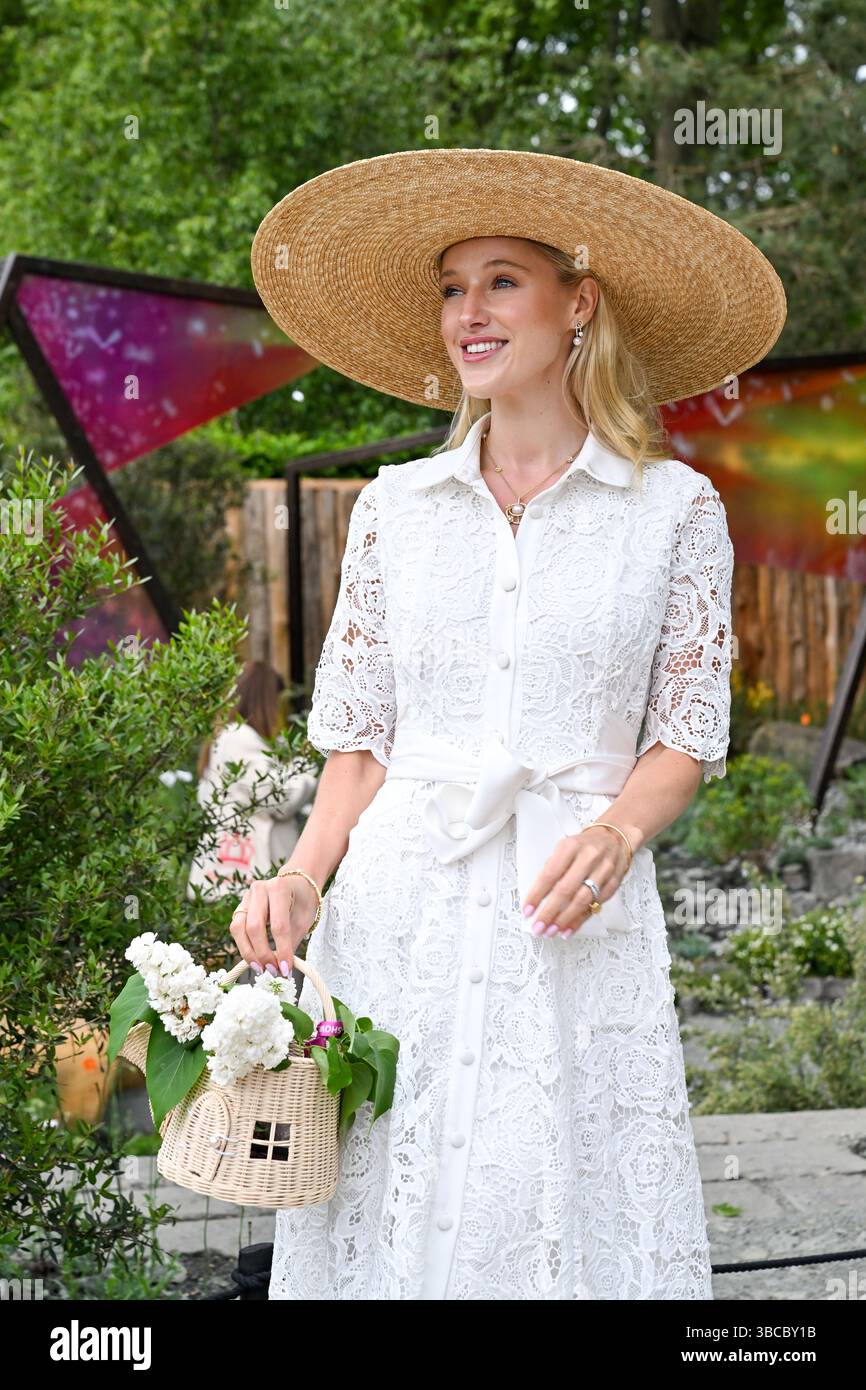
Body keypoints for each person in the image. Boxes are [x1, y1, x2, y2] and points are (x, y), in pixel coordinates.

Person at [243, 149, 787, 1299]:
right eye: (450, 288)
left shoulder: (672, 510)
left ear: (576, 301)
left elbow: (681, 736)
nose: (467, 314)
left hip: (569, 909)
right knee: (392, 1189)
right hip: (400, 910)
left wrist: (618, 833)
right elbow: (363, 742)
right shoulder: (394, 512)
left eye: (500, 281)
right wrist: (299, 877)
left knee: (558, 1201)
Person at [186, 659, 318, 912]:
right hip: (245, 867)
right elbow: (280, 800)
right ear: (265, 700)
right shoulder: (240, 739)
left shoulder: (228, 736)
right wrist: (306, 768)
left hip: (232, 865)